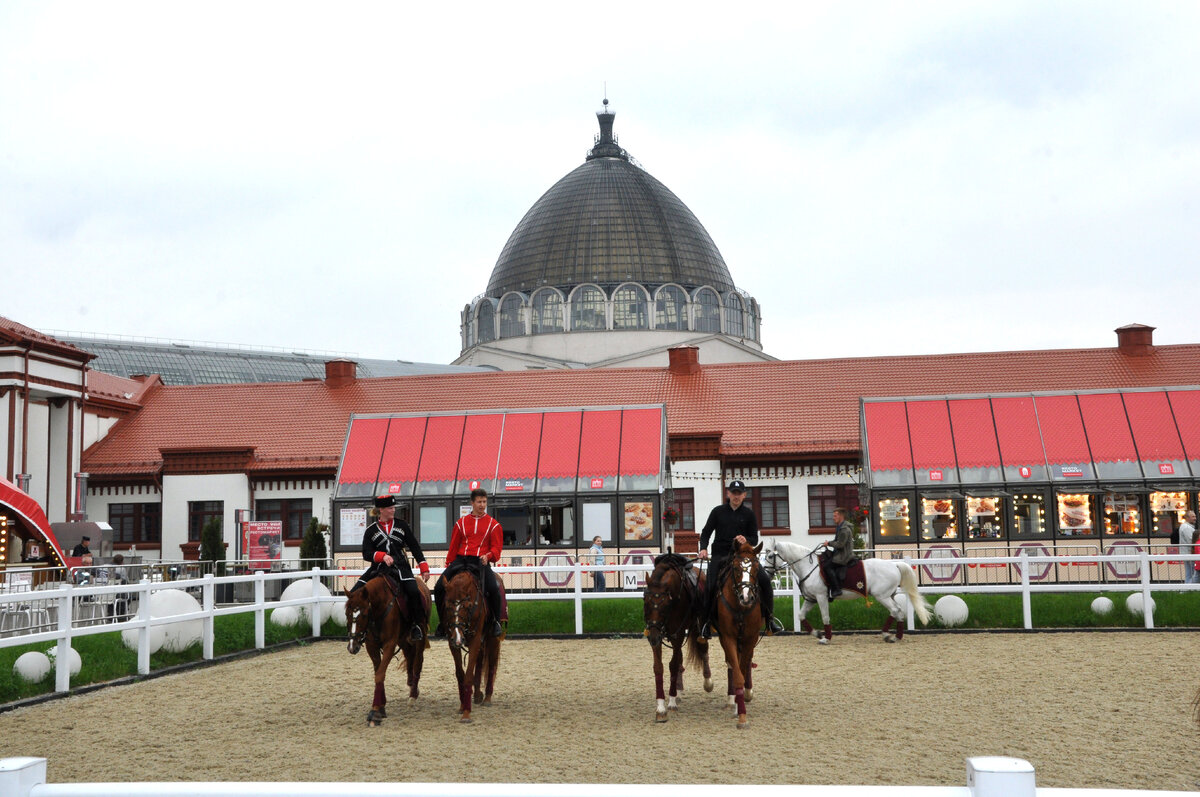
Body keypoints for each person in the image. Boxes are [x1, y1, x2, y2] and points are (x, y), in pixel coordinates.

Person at [698, 480, 784, 637]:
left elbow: (754, 539)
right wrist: (703, 548)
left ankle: (769, 620)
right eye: (733, 493)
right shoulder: (717, 512)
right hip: (720, 555)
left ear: (744, 495)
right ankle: (706, 623)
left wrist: (746, 540)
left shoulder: (749, 514)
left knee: (765, 581)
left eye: (739, 493)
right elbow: (706, 532)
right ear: (728, 494)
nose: (736, 496)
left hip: (743, 557)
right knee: (709, 587)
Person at [353, 495, 430, 643]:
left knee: (414, 591)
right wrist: (382, 556)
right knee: (356, 593)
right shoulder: (370, 531)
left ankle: (416, 626)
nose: (393, 510)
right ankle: (360, 629)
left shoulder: (402, 526)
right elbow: (366, 553)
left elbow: (414, 546)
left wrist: (423, 566)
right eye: (390, 508)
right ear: (381, 510)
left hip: (400, 566)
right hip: (379, 567)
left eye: (394, 507)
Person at [434, 488, 504, 638]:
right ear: (472, 503)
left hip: (480, 562)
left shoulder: (494, 525)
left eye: (484, 502)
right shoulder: (461, 523)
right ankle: (442, 623)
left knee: (494, 589)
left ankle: (495, 622)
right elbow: (453, 546)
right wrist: (449, 564)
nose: (482, 505)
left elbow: (497, 550)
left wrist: (489, 556)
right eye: (479, 502)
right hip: (460, 560)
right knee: (439, 587)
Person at [820, 507, 856, 599]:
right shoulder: (840, 527)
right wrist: (828, 543)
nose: (833, 518)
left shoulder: (844, 529)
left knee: (827, 566)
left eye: (835, 516)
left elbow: (840, 544)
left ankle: (836, 589)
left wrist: (829, 543)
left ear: (840, 516)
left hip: (844, 556)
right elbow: (837, 541)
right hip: (840, 554)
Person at [1181, 510, 1198, 584]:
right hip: (1189, 553)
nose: (1195, 518)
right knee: (1192, 573)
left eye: (1195, 516)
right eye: (1193, 516)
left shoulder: (1186, 527)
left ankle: (1187, 588)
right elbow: (1191, 540)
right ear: (1187, 518)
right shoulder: (1186, 528)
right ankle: (1189, 588)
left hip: (1187, 553)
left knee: (1189, 573)